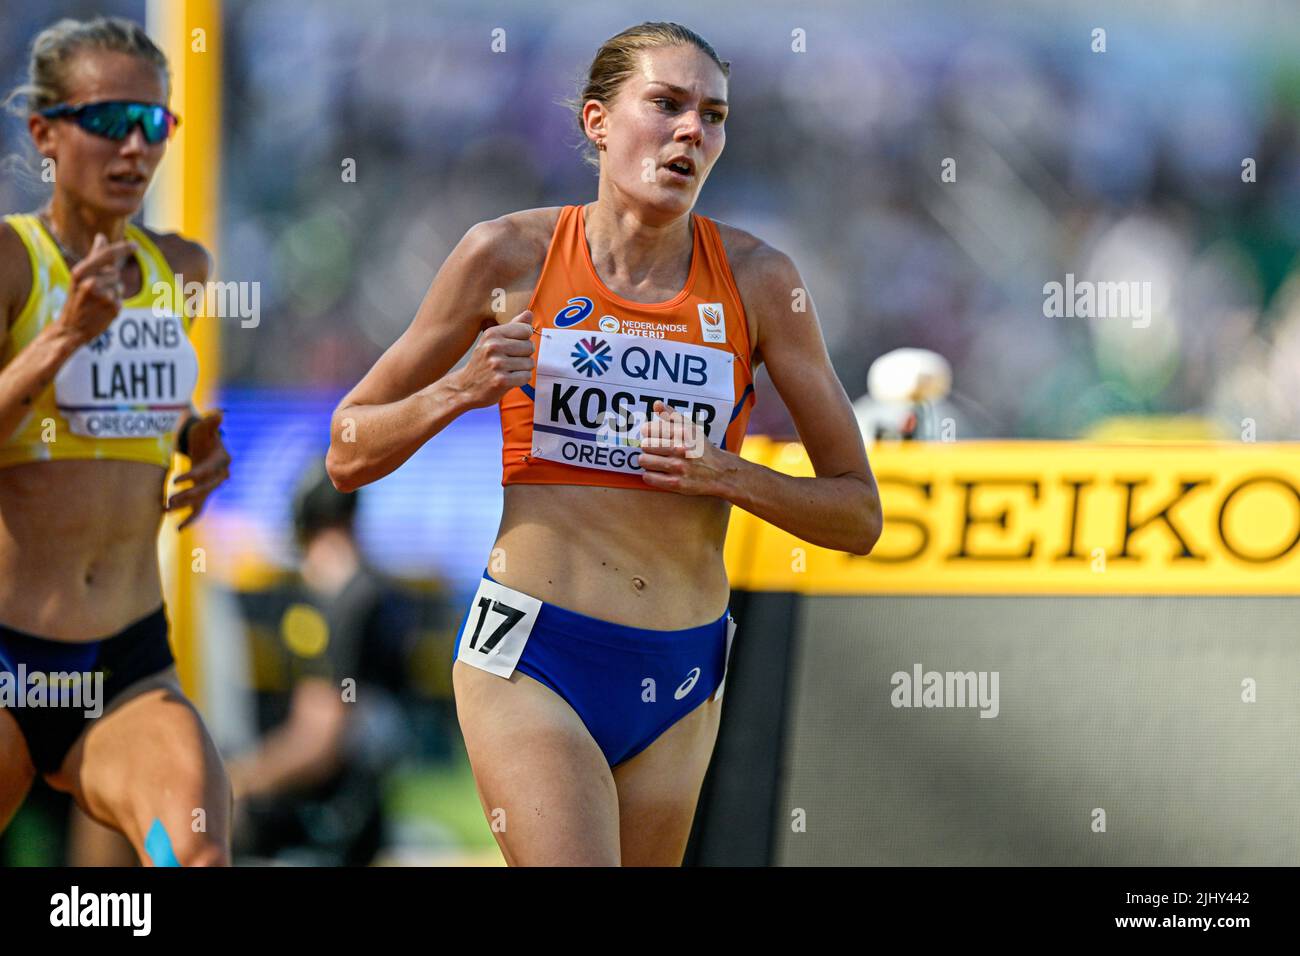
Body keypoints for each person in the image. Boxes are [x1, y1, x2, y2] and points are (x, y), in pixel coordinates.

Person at [327, 20, 882, 866]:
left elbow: (858, 514)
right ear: (597, 123)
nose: (692, 130)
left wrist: (726, 473)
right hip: (534, 653)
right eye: (665, 105)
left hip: (683, 669)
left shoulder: (763, 282)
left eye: (714, 115)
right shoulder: (505, 256)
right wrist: (460, 389)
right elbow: (348, 448)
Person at [0, 17, 232, 865]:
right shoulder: (11, 263)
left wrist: (193, 441)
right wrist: (58, 339)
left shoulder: (185, 270)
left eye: (155, 124)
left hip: (126, 660)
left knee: (196, 853)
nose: (135, 147)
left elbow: (134, 415)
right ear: (46, 134)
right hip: (8, 655)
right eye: (108, 123)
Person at [228, 462, 414, 866]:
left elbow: (320, 742)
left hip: (325, 822)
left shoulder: (344, 599)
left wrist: (239, 781)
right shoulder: (376, 592)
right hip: (357, 814)